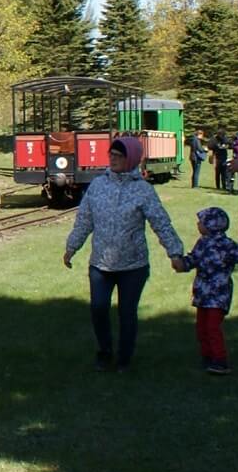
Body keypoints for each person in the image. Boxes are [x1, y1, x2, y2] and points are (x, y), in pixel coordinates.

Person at [62, 136, 188, 372]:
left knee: (126, 312)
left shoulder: (143, 190)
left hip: (133, 266)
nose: (113, 159)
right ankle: (104, 352)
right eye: (111, 154)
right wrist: (72, 247)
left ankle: (124, 358)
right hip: (100, 264)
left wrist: (175, 252)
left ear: (131, 158)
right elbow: (84, 220)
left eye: (118, 156)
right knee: (99, 308)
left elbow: (161, 223)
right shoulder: (98, 186)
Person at [178, 205, 238, 375]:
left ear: (211, 224)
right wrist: (182, 264)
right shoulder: (202, 242)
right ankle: (207, 357)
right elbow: (193, 259)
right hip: (202, 293)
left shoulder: (226, 244)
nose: (198, 225)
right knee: (201, 327)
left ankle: (220, 360)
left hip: (218, 294)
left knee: (212, 327)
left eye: (201, 222)